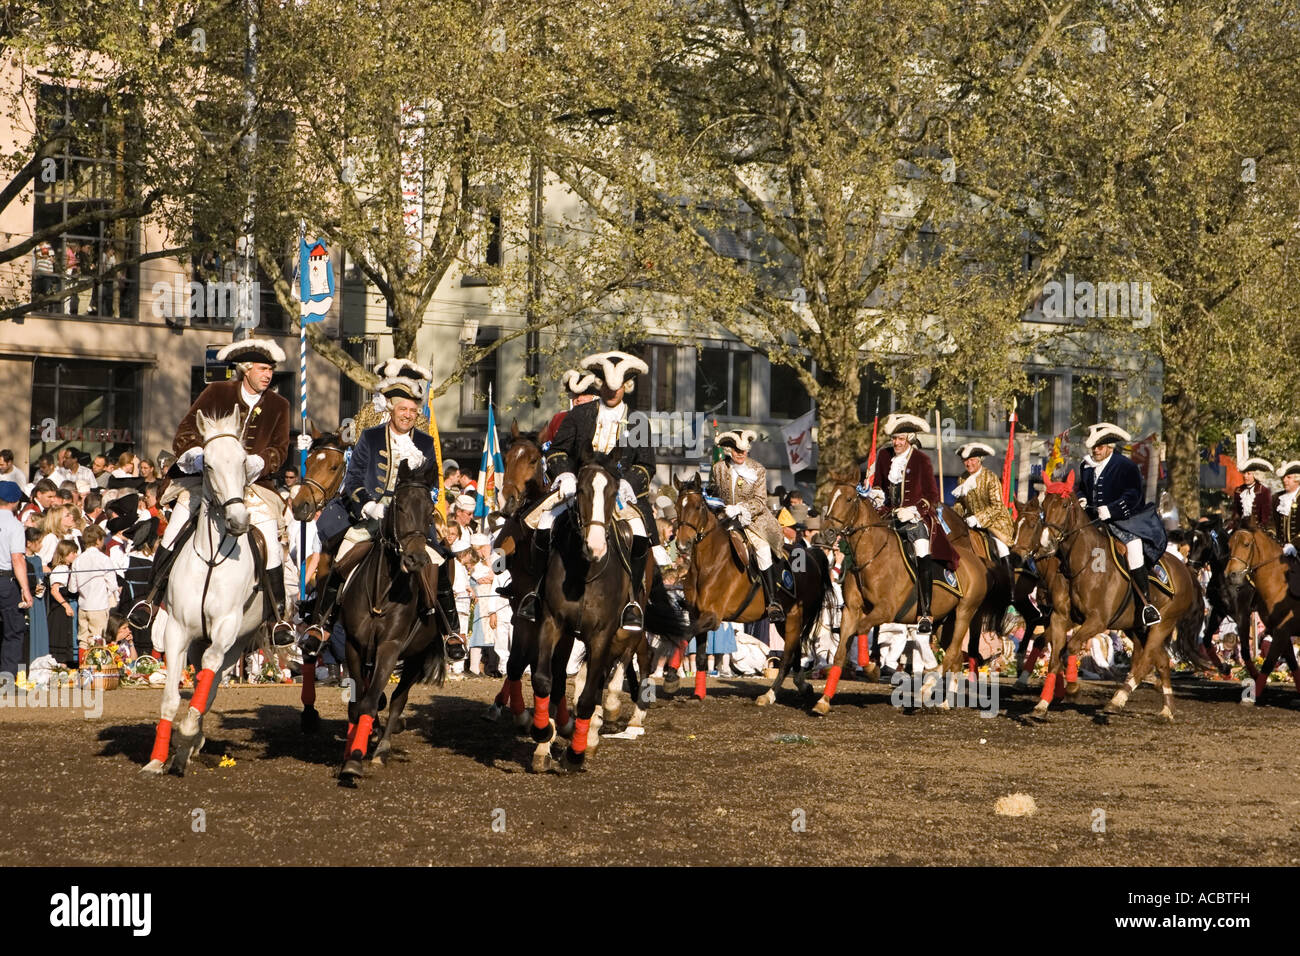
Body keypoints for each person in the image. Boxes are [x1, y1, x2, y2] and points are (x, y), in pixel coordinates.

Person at [131, 338, 294, 644]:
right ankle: (149, 600)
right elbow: (185, 432)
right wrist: (197, 455)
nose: (268, 374)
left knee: (271, 543)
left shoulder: (279, 405)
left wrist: (260, 461)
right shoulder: (217, 392)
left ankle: (277, 618)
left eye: (271, 369)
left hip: (255, 485)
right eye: (262, 368)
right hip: (207, 480)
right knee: (176, 526)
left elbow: (281, 449)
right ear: (245, 370)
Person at [301, 358, 456, 655]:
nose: (408, 413)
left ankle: (450, 630)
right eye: (403, 406)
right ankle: (322, 621)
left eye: (413, 407)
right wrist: (368, 505)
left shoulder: (424, 437)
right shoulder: (369, 428)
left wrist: (430, 509)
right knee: (340, 554)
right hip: (373, 512)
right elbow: (354, 472)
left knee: (440, 559)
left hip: (410, 516)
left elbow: (433, 480)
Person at [521, 350, 663, 631]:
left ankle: (632, 601)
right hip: (580, 490)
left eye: (617, 387)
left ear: (626, 387)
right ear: (601, 386)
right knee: (544, 524)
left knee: (638, 534)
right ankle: (536, 592)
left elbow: (646, 464)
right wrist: (564, 474)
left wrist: (627, 484)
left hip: (618, 495)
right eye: (608, 387)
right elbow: (558, 450)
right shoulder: (580, 414)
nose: (612, 392)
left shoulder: (638, 421)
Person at [864, 413, 957, 635]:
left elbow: (932, 497)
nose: (896, 443)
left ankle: (925, 612)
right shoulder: (884, 456)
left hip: (915, 517)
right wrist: (875, 494)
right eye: (894, 439)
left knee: (923, 553)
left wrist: (914, 509)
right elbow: (878, 485)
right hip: (888, 515)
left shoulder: (921, 460)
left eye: (901, 439)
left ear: (910, 439)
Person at [1075, 422, 1167, 627]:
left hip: (1124, 521)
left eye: (1099, 446)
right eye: (1094, 447)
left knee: (1133, 548)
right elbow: (1081, 488)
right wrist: (1080, 498)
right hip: (1093, 520)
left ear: (1110, 447)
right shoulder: (1086, 466)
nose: (1095, 450)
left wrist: (1111, 509)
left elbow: (1134, 495)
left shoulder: (1126, 466)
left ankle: (1146, 604)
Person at [709, 428, 785, 621]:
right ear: (728, 449)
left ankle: (773, 601)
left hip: (753, 521)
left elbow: (760, 501)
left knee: (762, 550)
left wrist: (741, 509)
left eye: (743, 450)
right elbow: (712, 491)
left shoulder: (758, 469)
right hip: (724, 519)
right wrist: (716, 505)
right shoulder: (718, 468)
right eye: (736, 450)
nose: (740, 454)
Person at [951, 441, 1015, 575]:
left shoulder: (990, 478)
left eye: (972, 460)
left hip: (995, 523)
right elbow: (960, 504)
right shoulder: (962, 479)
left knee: (1001, 547)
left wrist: (977, 518)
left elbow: (997, 507)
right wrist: (953, 515)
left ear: (980, 460)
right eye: (965, 461)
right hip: (970, 522)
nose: (969, 464)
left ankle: (1010, 587)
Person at [0, 481, 33, 679]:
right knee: (13, 630)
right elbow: (17, 559)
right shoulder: (14, 525)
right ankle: (6, 679)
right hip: (4, 580)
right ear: (14, 502)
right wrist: (25, 589)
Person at [71, 524, 117, 663]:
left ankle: (83, 670)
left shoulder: (78, 560)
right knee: (98, 640)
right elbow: (113, 584)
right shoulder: (103, 559)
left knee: (83, 641)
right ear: (98, 540)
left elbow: (72, 588)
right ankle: (97, 672)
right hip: (98, 606)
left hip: (83, 606)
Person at [538, 368, 601, 446]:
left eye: (584, 395)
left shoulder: (604, 419)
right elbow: (548, 447)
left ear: (595, 397)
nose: (578, 399)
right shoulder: (559, 418)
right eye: (576, 395)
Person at [46, 539, 79, 667]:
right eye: (73, 553)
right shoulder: (61, 568)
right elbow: (55, 590)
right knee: (61, 638)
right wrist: (66, 606)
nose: (75, 555)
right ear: (65, 553)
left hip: (66, 606)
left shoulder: (67, 568)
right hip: (60, 609)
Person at [1230, 458, 1273, 530]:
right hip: (1241, 527)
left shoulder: (1263, 490)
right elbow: (1236, 512)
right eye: (1244, 473)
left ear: (1256, 475)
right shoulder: (1238, 490)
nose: (1245, 476)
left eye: (1248, 473)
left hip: (1257, 529)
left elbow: (1266, 515)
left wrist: (1260, 529)